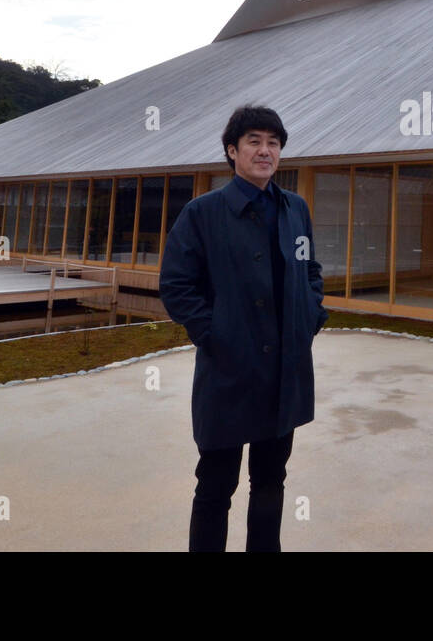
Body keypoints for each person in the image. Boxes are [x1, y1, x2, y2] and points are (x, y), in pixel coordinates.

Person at [158, 105, 328, 551]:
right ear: (232, 151)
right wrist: (214, 332)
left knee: (271, 482)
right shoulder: (203, 213)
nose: (265, 150)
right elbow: (176, 284)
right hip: (229, 374)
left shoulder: (296, 210)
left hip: (284, 374)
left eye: (273, 143)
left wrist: (310, 315)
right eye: (254, 141)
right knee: (215, 486)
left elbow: (311, 269)